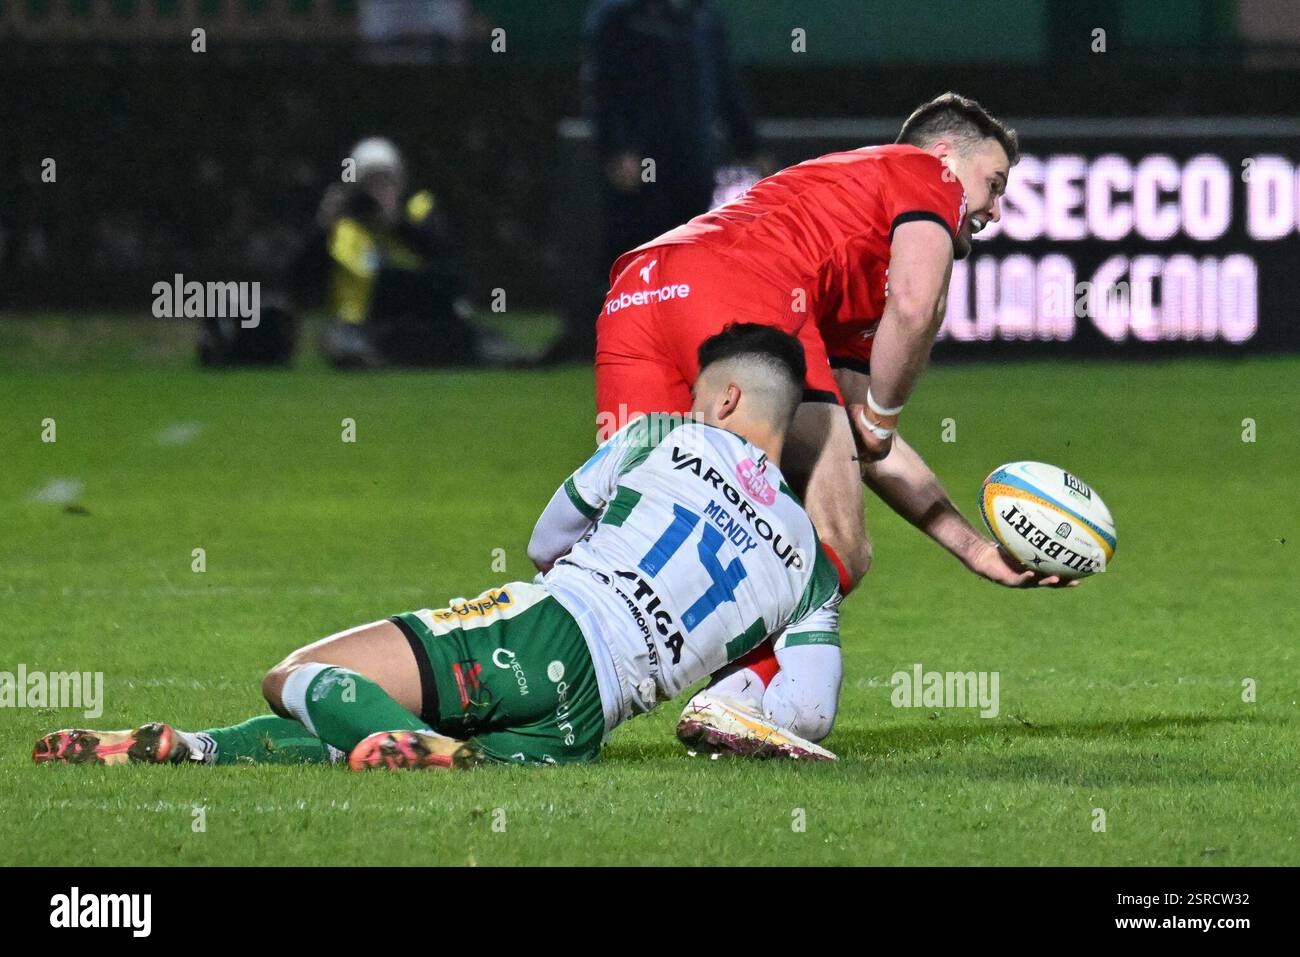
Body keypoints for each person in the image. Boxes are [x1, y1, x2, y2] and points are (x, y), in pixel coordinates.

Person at [33, 325, 843, 770]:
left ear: (725, 396)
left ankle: (434, 750)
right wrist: (737, 705)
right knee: (374, 730)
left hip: (545, 628)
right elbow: (809, 708)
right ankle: (198, 749)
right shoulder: (811, 562)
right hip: (588, 723)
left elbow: (545, 538)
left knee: (300, 676)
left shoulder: (662, 435)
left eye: (700, 396)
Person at [592, 93, 1077, 747]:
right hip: (736, 287)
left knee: (631, 538)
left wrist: (974, 548)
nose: (993, 209)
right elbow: (916, 304)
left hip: (641, 286)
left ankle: (515, 688)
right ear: (943, 157)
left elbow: (862, 441)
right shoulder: (924, 175)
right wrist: (882, 410)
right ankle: (739, 692)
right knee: (838, 541)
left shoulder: (841, 234)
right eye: (991, 185)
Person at [546, 0, 759, 363]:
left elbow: (723, 84)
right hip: (641, 159)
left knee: (688, 255)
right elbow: (602, 88)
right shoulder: (620, 18)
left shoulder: (703, 18)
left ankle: (681, 346)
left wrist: (749, 145)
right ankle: (623, 345)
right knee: (634, 253)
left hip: (692, 160)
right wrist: (616, 149)